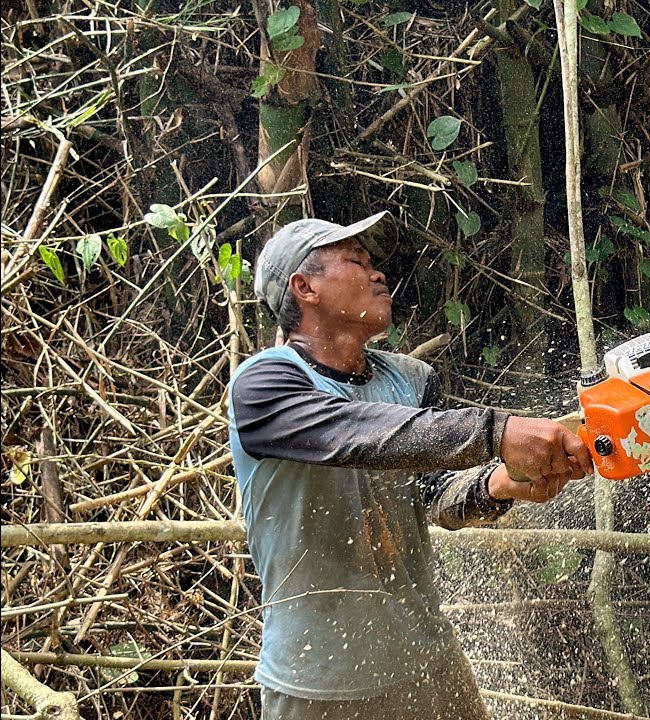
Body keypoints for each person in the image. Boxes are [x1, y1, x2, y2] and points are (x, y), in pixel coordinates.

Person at [227, 211, 592, 719]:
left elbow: (433, 493)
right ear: (304, 287)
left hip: (428, 661)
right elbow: (356, 435)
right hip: (317, 684)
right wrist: (498, 432)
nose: (378, 274)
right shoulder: (264, 386)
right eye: (356, 261)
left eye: (375, 263)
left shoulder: (409, 380)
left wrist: (501, 483)